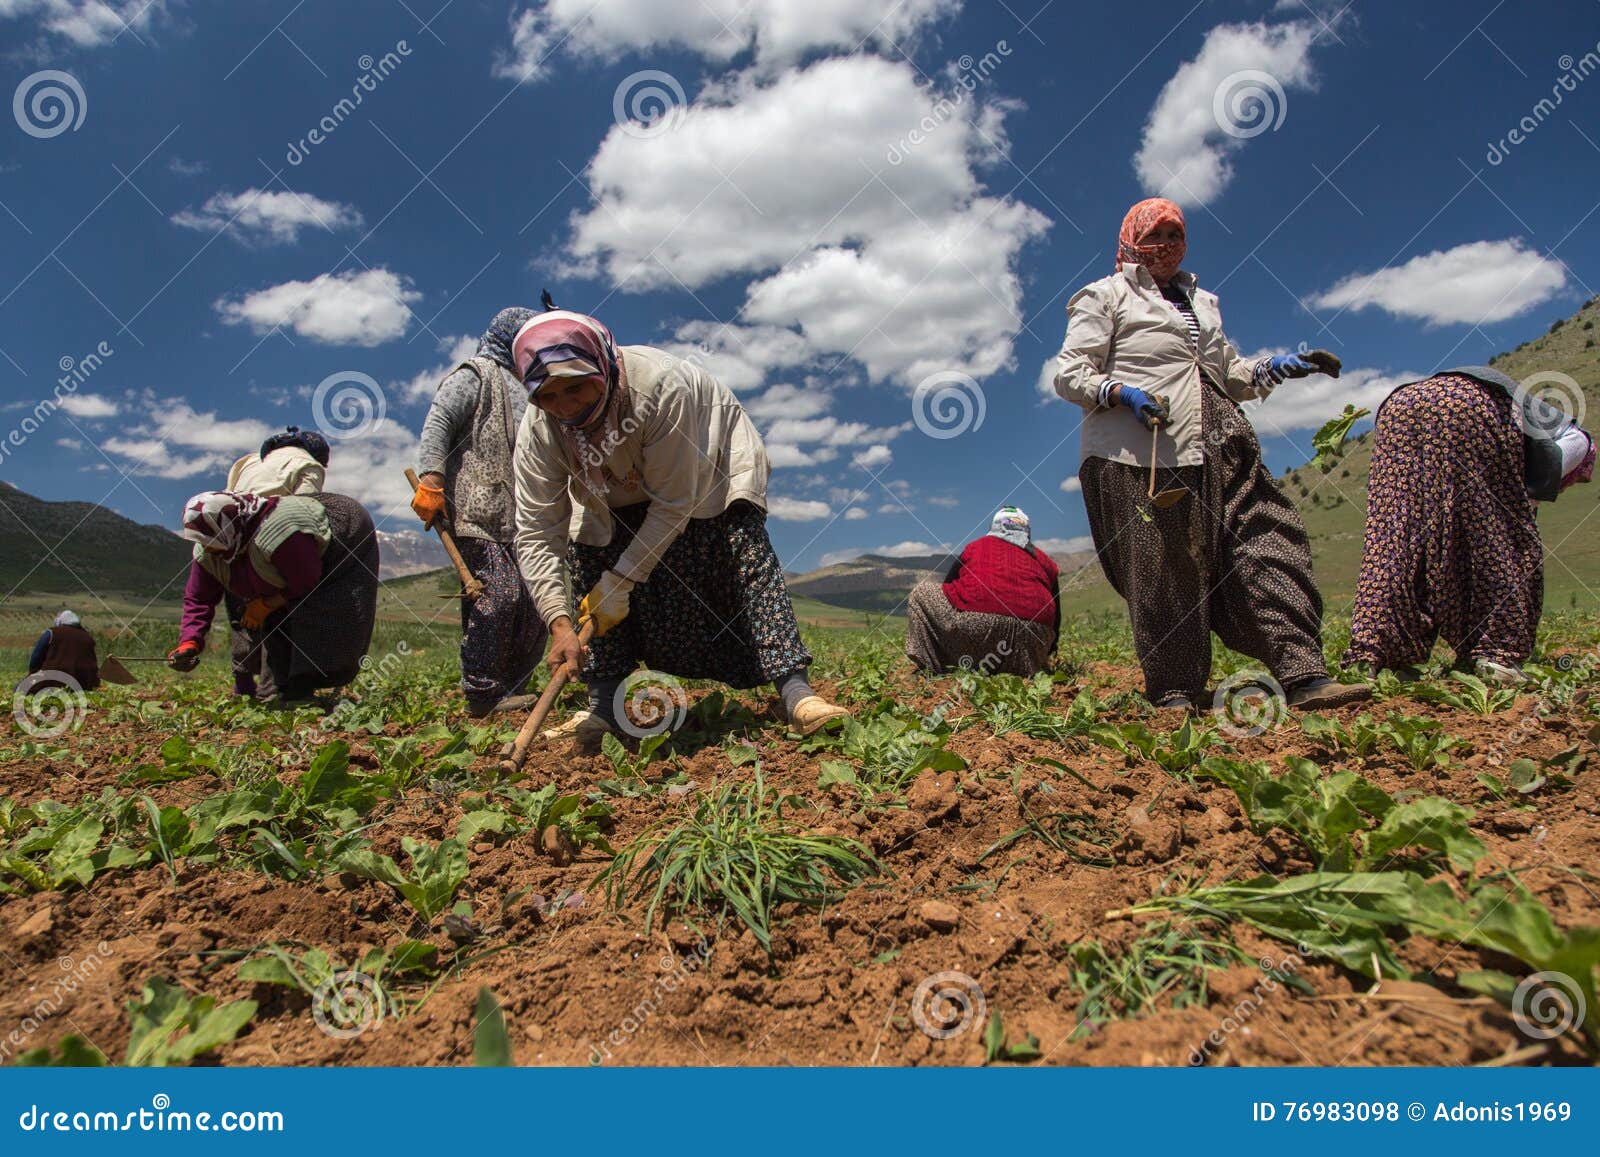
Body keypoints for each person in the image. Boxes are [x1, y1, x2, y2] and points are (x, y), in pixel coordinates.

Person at [1054, 196, 1368, 714]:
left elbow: (1229, 373)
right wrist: (1122, 393)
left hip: (1222, 442)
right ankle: (1175, 690)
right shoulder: (1104, 296)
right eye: (1154, 235)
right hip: (1142, 453)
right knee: (1163, 566)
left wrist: (1280, 366)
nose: (1167, 245)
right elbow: (1069, 373)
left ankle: (1303, 673)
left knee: (1266, 540)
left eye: (1176, 235)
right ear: (1130, 241)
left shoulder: (1204, 301)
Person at [509, 308, 849, 746]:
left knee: (737, 554)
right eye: (548, 397)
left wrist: (622, 583)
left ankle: (797, 695)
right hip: (612, 493)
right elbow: (538, 530)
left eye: (576, 387)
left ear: (604, 366)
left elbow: (674, 503)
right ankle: (602, 708)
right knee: (591, 559)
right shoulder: (540, 430)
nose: (566, 406)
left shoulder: (660, 388)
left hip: (706, 465)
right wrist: (558, 622)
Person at [1344, 366, 1594, 684]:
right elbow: (1557, 462)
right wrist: (1521, 504)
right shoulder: (1575, 436)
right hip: (1468, 404)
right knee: (1498, 536)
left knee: (1395, 534)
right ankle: (1496, 656)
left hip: (1399, 407)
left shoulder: (1516, 406)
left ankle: (1376, 658)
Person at [412, 308, 549, 717]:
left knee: (533, 605)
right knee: (499, 595)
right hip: (476, 512)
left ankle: (513, 686)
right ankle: (483, 693)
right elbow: (439, 422)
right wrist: (431, 480)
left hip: (521, 518)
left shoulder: (530, 388)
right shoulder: (475, 373)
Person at [168, 490, 379, 701]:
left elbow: (306, 581)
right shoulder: (208, 552)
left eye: (209, 541)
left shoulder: (281, 534)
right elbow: (199, 598)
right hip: (287, 563)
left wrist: (267, 605)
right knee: (268, 619)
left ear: (227, 527)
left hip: (343, 536)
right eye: (202, 541)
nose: (205, 547)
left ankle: (301, 688)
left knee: (318, 613)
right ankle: (284, 688)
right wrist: (190, 642)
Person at [222, 425, 332, 698]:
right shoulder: (310, 466)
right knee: (280, 616)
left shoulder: (246, 462)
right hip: (274, 545)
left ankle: (243, 687)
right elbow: (303, 510)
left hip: (232, 545)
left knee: (242, 617)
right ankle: (273, 691)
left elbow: (228, 500)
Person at [905, 507, 1060, 676]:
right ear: (1026, 531)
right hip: (1030, 647)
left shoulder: (976, 547)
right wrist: (1044, 652)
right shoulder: (1045, 560)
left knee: (921, 593)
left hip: (981, 632)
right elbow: (1056, 616)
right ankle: (1019, 668)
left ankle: (931, 668)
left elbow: (948, 588)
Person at [25, 610, 100, 692]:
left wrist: (32, 673)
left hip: (53, 682)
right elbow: (93, 663)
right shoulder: (88, 637)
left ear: (60, 621)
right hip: (84, 685)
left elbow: (36, 657)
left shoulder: (52, 633)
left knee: (19, 688)